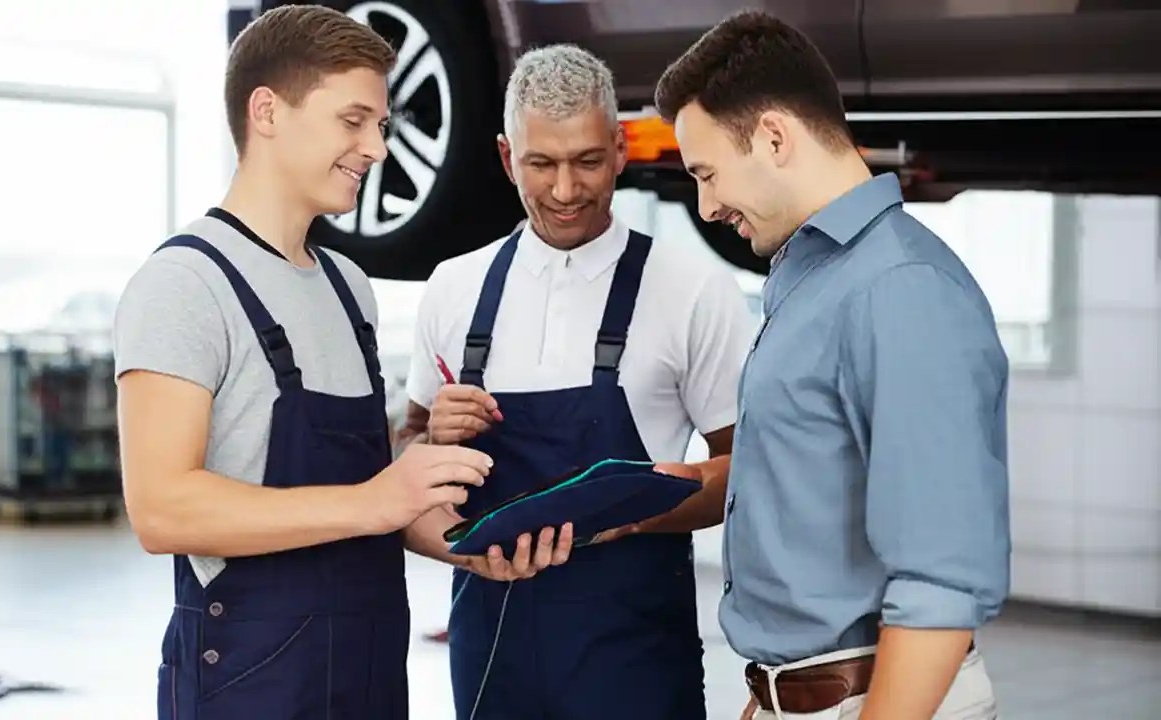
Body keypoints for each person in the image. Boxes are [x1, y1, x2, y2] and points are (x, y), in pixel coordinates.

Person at [112, 6, 492, 719]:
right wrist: (376, 500)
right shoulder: (185, 284)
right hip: (250, 687)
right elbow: (161, 509)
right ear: (267, 112)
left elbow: (369, 496)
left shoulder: (349, 289)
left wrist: (471, 544)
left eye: (382, 125)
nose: (376, 148)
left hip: (368, 677)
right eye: (353, 121)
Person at [652, 10, 1010, 720]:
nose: (707, 205)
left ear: (774, 137)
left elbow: (940, 584)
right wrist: (772, 697)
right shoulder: (815, 279)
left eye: (707, 174)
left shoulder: (900, 288)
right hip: (800, 697)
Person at [398, 44, 758, 720]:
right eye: (541, 164)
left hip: (634, 660)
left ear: (620, 149)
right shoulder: (453, 287)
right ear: (507, 157)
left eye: (587, 161)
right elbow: (402, 459)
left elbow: (748, 472)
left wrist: (629, 511)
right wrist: (434, 446)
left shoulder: (692, 289)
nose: (566, 191)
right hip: (490, 655)